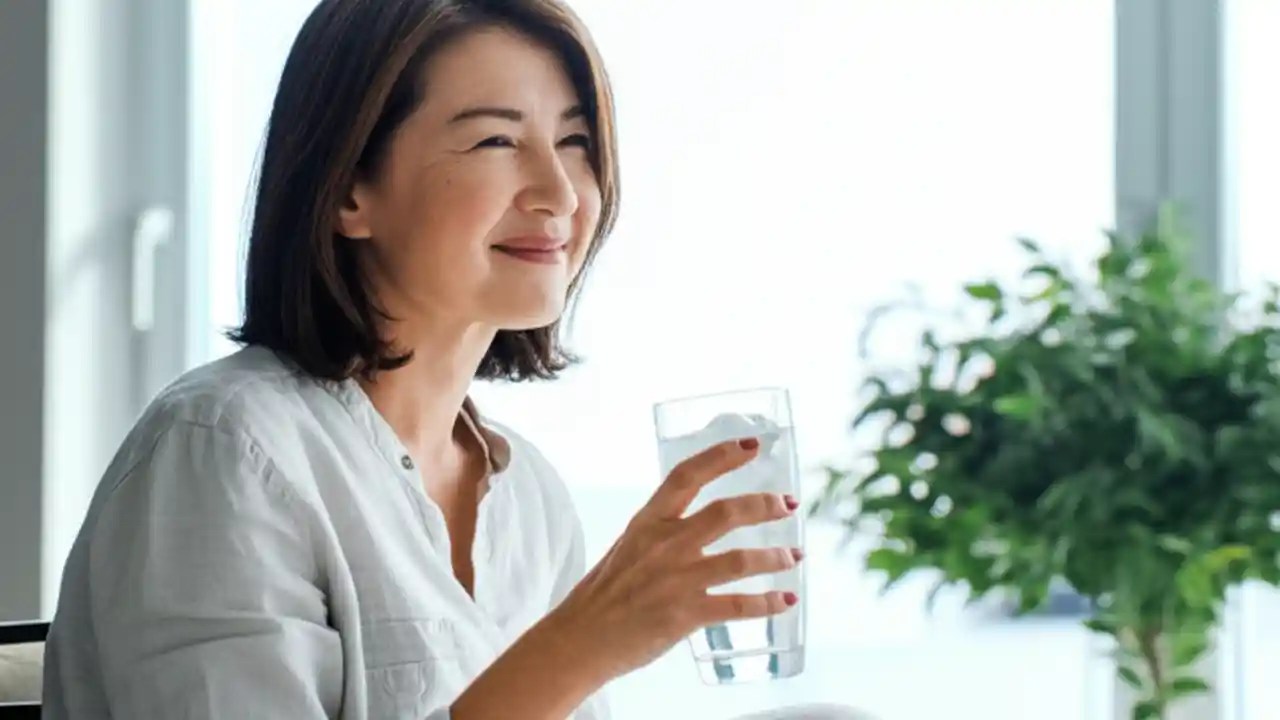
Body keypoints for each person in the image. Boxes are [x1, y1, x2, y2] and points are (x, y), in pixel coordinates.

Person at [42, 1, 866, 718]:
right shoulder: (227, 448)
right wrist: (584, 643)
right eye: (496, 141)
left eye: (575, 141)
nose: (560, 191)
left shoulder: (531, 498)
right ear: (346, 192)